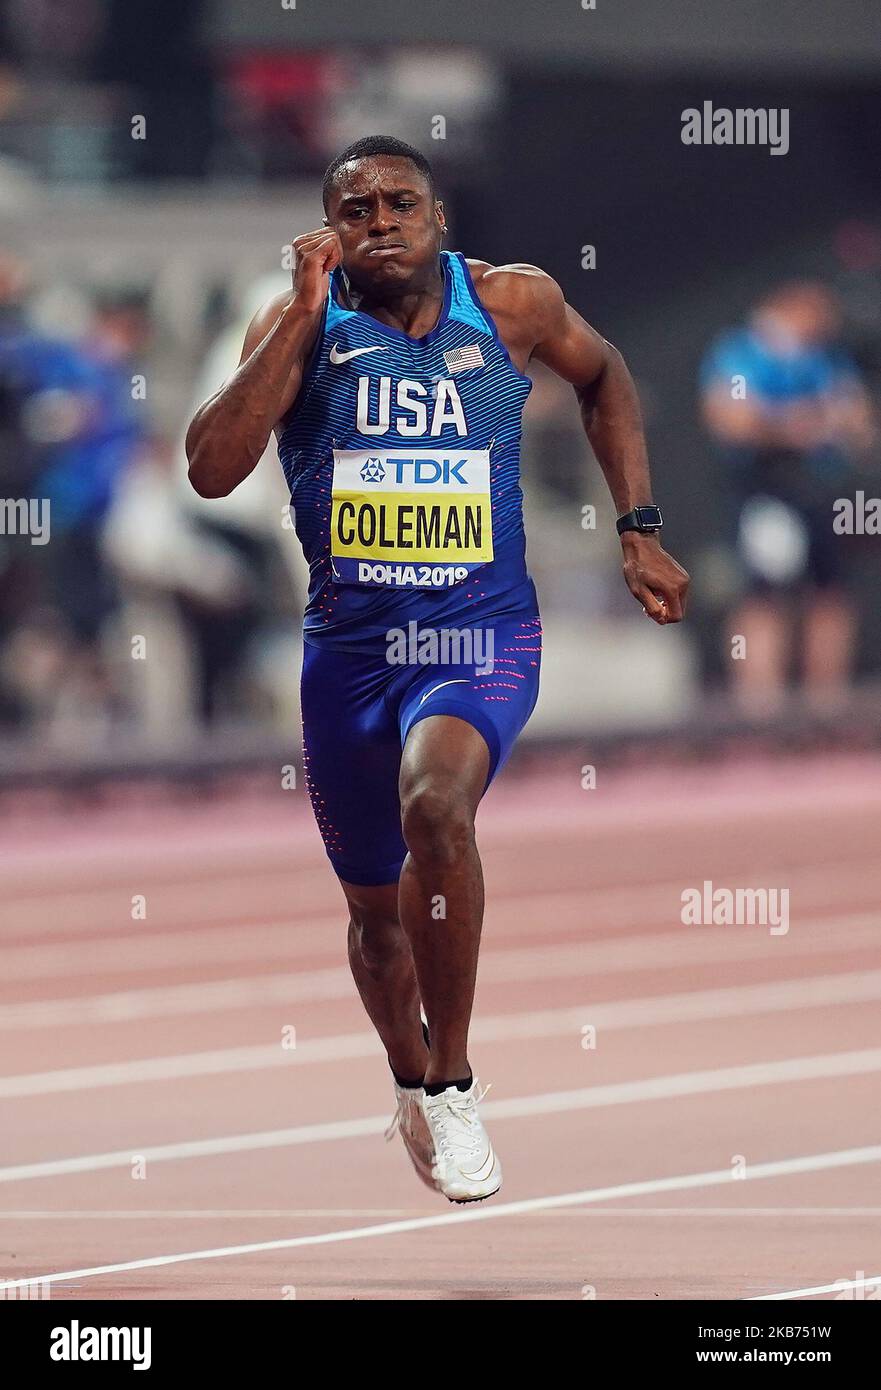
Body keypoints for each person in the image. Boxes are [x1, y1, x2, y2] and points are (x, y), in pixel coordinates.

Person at [186, 136, 689, 1203]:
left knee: (435, 807)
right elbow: (213, 467)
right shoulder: (295, 327)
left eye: (399, 202)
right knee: (375, 920)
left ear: (438, 217)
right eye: (354, 208)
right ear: (328, 229)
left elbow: (605, 377)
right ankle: (409, 1077)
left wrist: (636, 526)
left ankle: (455, 1082)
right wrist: (299, 312)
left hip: (478, 635)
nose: (379, 222)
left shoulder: (510, 303)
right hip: (348, 657)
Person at [700, 282, 873, 708]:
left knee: (829, 591)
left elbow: (860, 424)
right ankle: (761, 704)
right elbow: (728, 418)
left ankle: (826, 705)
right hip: (764, 491)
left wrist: (836, 423)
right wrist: (793, 425)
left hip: (820, 490)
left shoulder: (825, 360)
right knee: (762, 593)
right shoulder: (741, 353)